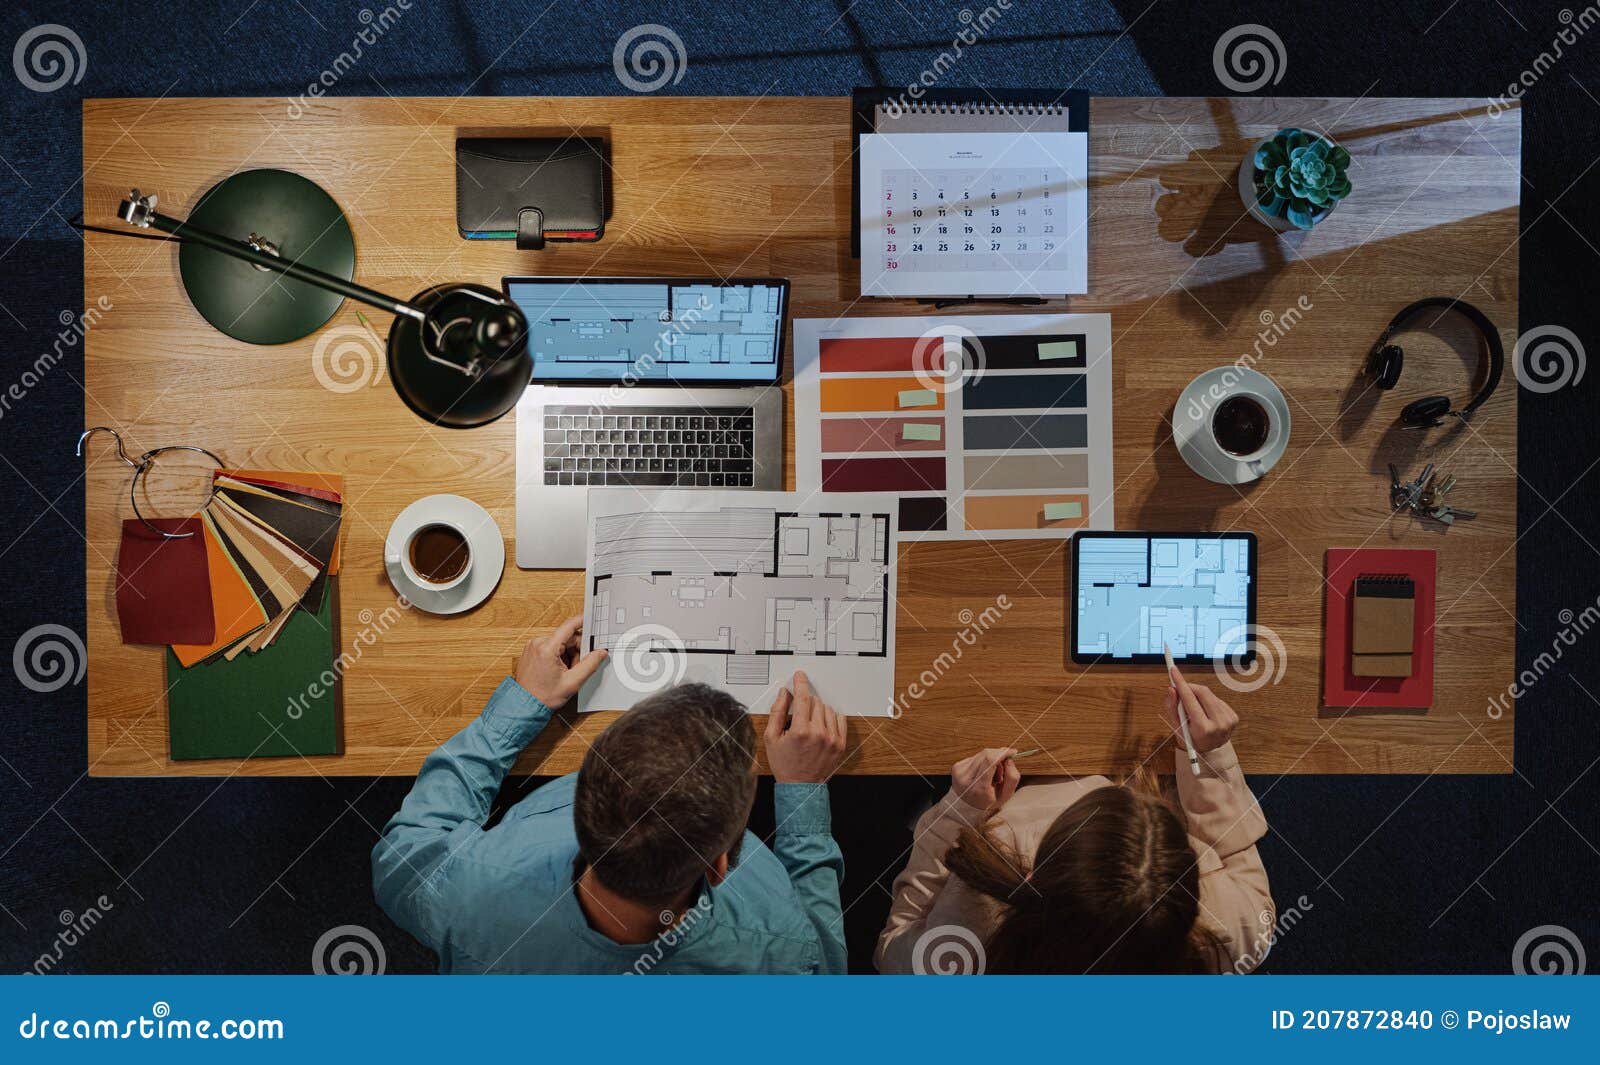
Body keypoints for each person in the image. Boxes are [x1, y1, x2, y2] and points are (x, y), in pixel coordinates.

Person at [372, 615, 851, 974]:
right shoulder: (784, 949)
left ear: (577, 807)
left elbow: (401, 858)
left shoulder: (469, 893)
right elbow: (824, 967)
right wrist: (802, 792)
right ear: (719, 865)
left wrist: (519, 707)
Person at [875, 664, 1274, 974]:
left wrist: (959, 810)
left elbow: (893, 948)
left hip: (999, 787)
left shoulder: (967, 941)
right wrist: (1207, 755)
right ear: (1195, 882)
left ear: (1033, 879)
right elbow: (1243, 868)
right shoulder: (1236, 939)